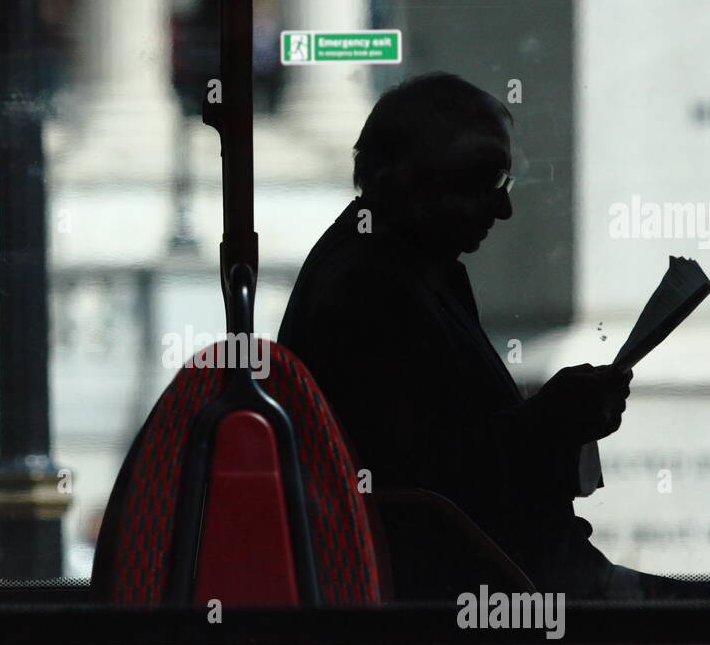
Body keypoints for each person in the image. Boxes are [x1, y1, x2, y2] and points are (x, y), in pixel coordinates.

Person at [277, 71, 666, 598]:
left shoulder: (407, 267)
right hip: (488, 591)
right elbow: (433, 484)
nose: (503, 207)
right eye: (483, 179)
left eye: (503, 182)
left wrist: (556, 419)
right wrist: (552, 420)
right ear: (410, 176)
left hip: (511, 577)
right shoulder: (370, 289)